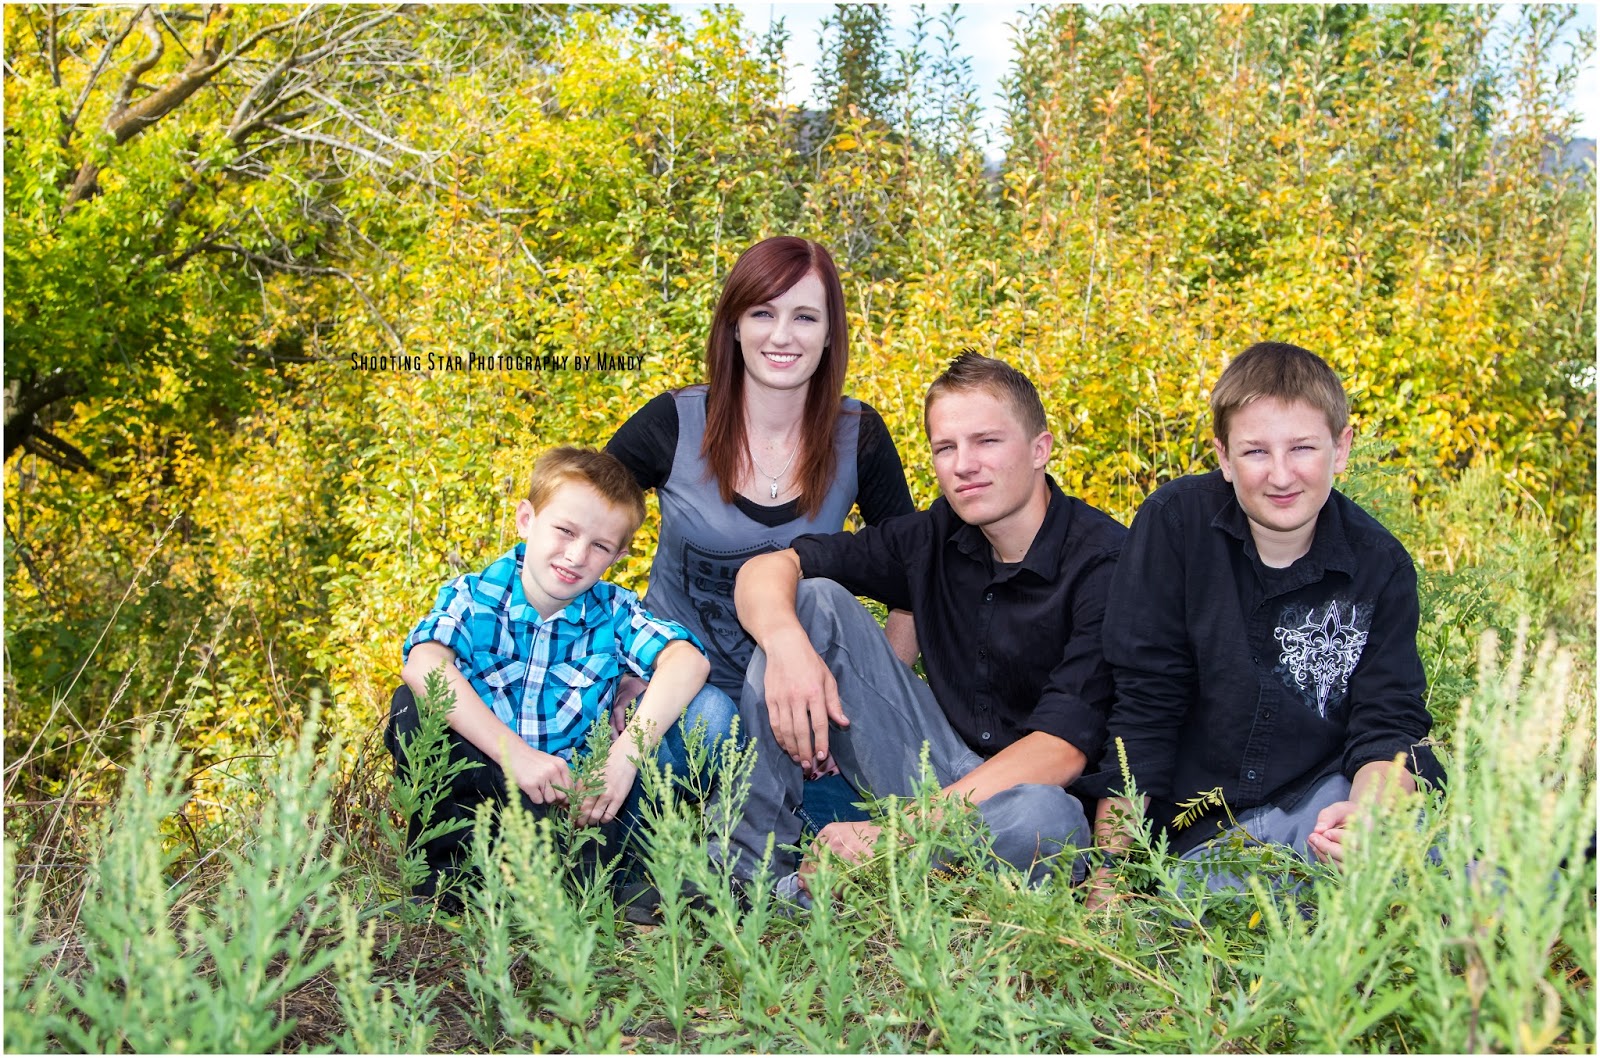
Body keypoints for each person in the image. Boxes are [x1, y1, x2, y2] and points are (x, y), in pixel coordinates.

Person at [722, 351, 1127, 902]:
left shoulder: (1105, 562)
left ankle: (895, 871)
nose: (963, 465)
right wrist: (787, 645)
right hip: (933, 768)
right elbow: (766, 570)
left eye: (987, 441)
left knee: (1046, 818)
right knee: (811, 601)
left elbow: (1061, 751)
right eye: (945, 447)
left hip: (1025, 800)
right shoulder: (934, 535)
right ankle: (749, 882)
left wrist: (900, 832)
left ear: (1040, 448)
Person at [1083, 341, 1442, 901]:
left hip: (1319, 806)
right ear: (1223, 456)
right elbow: (1142, 713)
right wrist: (1108, 884)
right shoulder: (1173, 526)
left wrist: (1369, 821)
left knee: (1424, 847)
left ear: (1340, 448)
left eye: (1302, 447)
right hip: (1195, 835)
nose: (1280, 475)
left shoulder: (1381, 565)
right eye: (1255, 452)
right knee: (1211, 904)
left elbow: (1387, 724)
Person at [605, 235, 917, 829]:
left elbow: (912, 578)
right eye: (763, 313)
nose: (782, 336)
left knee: (848, 830)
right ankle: (653, 854)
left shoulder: (859, 436)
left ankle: (743, 840)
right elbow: (582, 535)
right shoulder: (674, 422)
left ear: (830, 334)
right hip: (682, 692)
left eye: (805, 316)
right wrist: (618, 665)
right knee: (711, 725)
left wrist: (877, 696)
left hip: (800, 704)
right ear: (733, 327)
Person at [384, 446, 737, 910]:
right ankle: (450, 885)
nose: (576, 555)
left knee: (710, 713)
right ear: (527, 519)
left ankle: (616, 876)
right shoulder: (473, 597)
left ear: (620, 553)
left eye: (600, 546)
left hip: (579, 812)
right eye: (565, 531)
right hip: (483, 803)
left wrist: (623, 758)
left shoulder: (612, 611)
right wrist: (519, 757)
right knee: (411, 704)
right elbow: (423, 664)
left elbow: (688, 660)